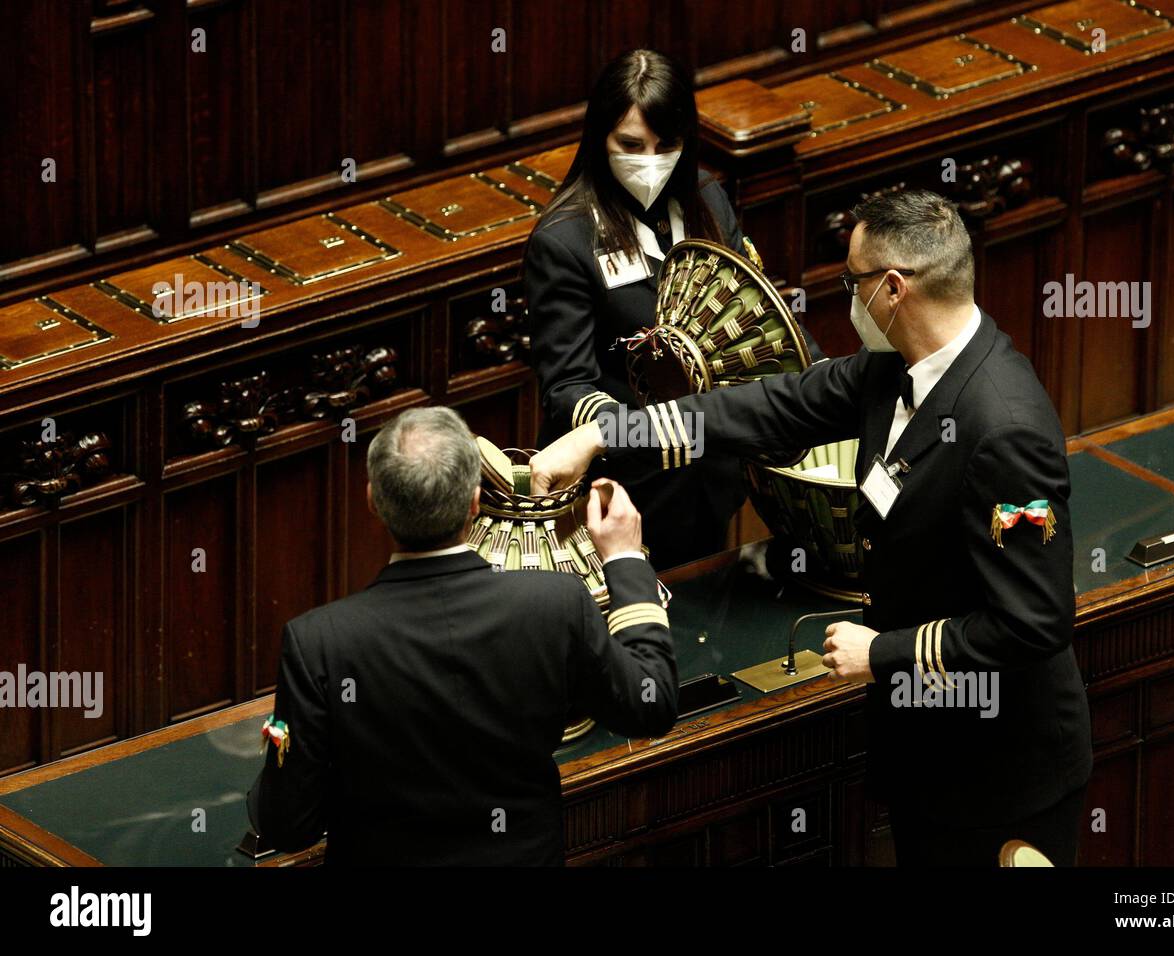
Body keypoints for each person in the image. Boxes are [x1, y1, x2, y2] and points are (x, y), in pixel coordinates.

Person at [530, 190, 1093, 867]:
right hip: (934, 757)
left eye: (851, 282)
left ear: (892, 290)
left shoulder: (1004, 430)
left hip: (1002, 774)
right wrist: (602, 433)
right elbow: (764, 409)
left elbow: (1035, 622)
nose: (846, 298)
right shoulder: (894, 371)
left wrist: (882, 653)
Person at [246, 406, 677, 865]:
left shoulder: (318, 643)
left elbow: (286, 825)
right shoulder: (556, 603)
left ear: (373, 501)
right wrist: (626, 561)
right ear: (475, 500)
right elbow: (652, 708)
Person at [522, 47, 823, 572]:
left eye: (668, 145)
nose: (650, 160)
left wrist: (818, 376)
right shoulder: (564, 240)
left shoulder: (707, 198)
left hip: (711, 472)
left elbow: (750, 308)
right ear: (601, 138)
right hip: (625, 487)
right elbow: (566, 387)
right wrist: (635, 434)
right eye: (631, 145)